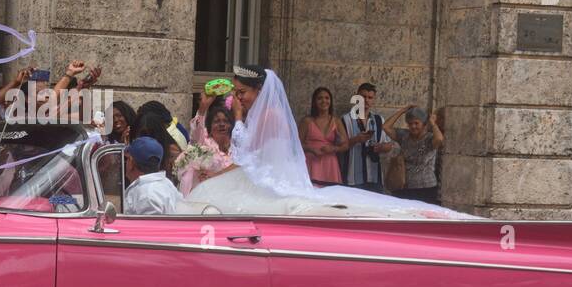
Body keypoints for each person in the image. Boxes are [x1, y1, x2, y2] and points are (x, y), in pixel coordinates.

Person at [176, 64, 471, 220]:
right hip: (257, 175)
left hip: (272, 181)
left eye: (244, 92)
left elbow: (251, 159)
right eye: (237, 93)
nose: (239, 98)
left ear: (259, 90)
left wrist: (237, 122)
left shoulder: (270, 114)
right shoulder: (259, 113)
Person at [339, 81, 396, 194]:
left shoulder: (379, 120)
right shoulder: (345, 120)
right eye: (363, 97)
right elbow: (338, 147)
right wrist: (356, 140)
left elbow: (389, 145)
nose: (366, 100)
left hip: (375, 178)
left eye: (370, 97)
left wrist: (381, 147)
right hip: (352, 178)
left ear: (373, 100)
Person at [383, 105, 445, 203]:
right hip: (404, 187)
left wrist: (432, 123)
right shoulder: (404, 136)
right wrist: (402, 111)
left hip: (425, 189)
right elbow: (386, 127)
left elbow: (439, 139)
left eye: (416, 123)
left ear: (424, 124)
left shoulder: (429, 139)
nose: (413, 126)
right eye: (410, 123)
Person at [300, 86, 348, 185]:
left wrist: (334, 149)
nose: (324, 101)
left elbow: (346, 145)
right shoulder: (307, 121)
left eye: (327, 98)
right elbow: (296, 144)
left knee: (331, 197)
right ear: (314, 102)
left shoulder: (336, 121)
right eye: (320, 98)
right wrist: (311, 149)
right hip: (311, 162)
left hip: (330, 165)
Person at [123, 137, 181, 215]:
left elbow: (151, 226)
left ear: (131, 162)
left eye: (127, 159)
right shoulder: (166, 184)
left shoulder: (147, 195)